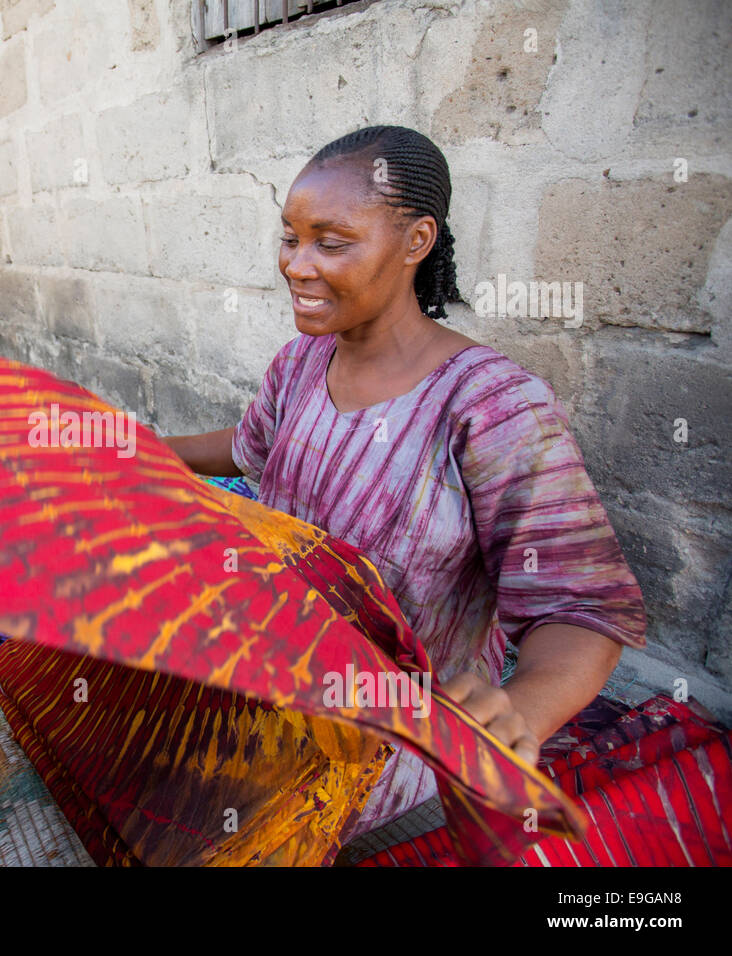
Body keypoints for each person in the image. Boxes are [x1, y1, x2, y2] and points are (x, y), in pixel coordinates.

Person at [164, 125, 647, 840]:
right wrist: (129, 446)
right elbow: (244, 449)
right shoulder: (300, 366)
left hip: (387, 744)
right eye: (289, 237)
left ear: (417, 241)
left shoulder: (492, 407)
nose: (296, 265)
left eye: (330, 242)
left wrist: (525, 707)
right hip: (270, 683)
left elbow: (580, 608)